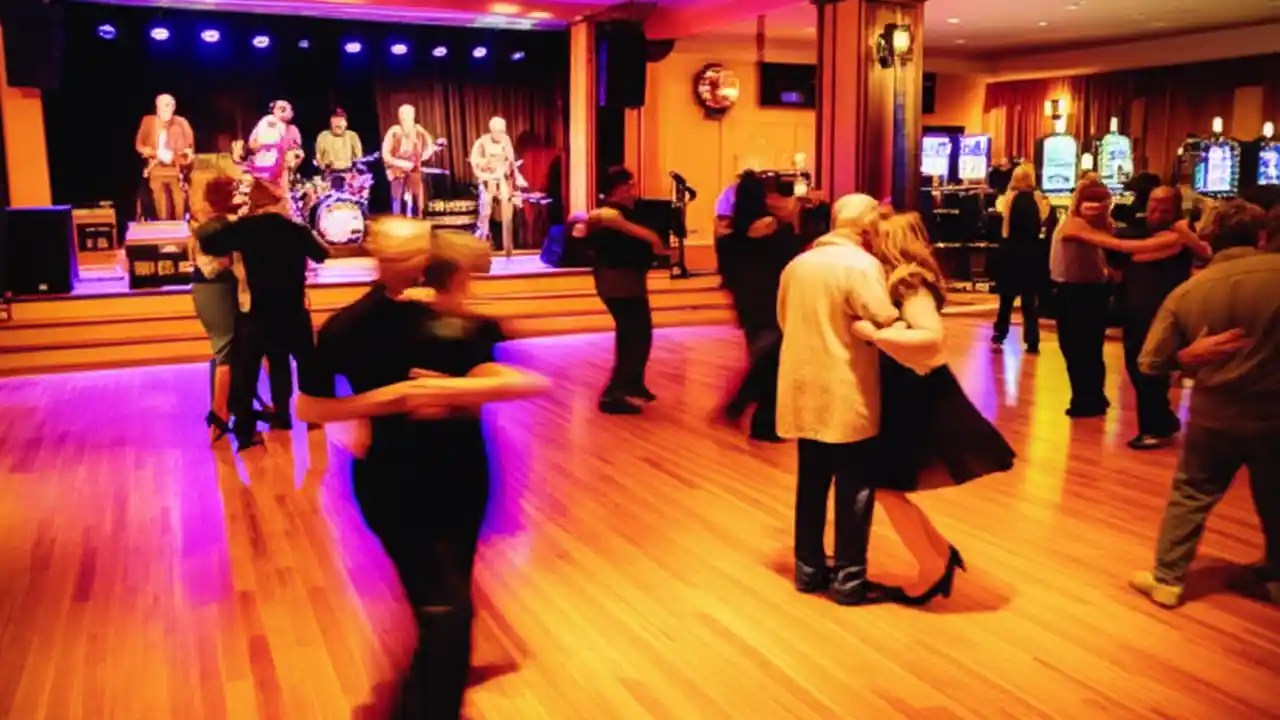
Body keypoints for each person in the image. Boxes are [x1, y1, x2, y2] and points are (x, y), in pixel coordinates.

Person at [296, 217, 548, 718]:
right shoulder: (350, 326)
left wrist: (453, 389)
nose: (412, 264)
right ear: (377, 256)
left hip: (462, 473)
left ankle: (436, 686)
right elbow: (310, 408)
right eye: (399, 254)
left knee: (450, 607)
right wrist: (390, 400)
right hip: (394, 482)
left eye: (418, 253)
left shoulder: (455, 322)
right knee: (447, 611)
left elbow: (516, 380)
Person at [852, 212, 1015, 604]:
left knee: (887, 487)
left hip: (917, 393)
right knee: (887, 486)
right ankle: (938, 556)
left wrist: (873, 333)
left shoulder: (908, 281)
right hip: (914, 389)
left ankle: (932, 564)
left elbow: (930, 336)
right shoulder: (909, 278)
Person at [1130, 199, 1280, 608]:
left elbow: (1149, 362)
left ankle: (1167, 578)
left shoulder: (1188, 291)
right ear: (1261, 236)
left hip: (1214, 415)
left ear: (1209, 238)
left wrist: (1185, 360)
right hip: (1275, 418)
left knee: (1192, 492)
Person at [776, 193, 902, 605]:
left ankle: (808, 569)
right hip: (846, 387)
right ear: (867, 228)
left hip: (801, 386)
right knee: (855, 486)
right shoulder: (861, 265)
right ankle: (849, 580)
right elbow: (884, 318)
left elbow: (782, 318)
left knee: (811, 483)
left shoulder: (798, 264)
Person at [199, 179, 332, 451]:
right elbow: (321, 254)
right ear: (277, 202)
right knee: (301, 362)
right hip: (293, 309)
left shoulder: (245, 229)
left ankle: (246, 432)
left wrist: (228, 220)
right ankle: (302, 417)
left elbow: (209, 243)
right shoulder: (294, 230)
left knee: (246, 371)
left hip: (258, 311)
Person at [715, 172, 805, 441]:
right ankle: (750, 414)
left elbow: (727, 271)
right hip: (773, 304)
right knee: (771, 361)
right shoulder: (778, 233)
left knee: (766, 359)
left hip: (748, 305)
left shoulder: (729, 235)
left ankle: (753, 417)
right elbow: (795, 261)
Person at [577, 166, 666, 415]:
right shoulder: (608, 215)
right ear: (619, 189)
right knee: (636, 335)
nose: (634, 191)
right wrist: (651, 240)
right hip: (619, 281)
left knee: (634, 334)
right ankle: (616, 393)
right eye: (630, 186)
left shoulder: (617, 214)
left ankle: (632, 386)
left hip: (625, 280)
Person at [189, 175, 241, 443]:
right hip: (214, 290)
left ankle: (224, 410)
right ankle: (218, 415)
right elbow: (211, 268)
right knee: (225, 353)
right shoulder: (216, 229)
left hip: (210, 290)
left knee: (224, 351)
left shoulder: (215, 227)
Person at [991, 162, 1051, 354]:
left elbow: (1001, 225)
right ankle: (1032, 341)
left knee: (1006, 300)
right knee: (1029, 302)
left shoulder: (1007, 199)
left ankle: (999, 335)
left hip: (1011, 253)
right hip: (1033, 254)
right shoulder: (1040, 199)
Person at [470, 116, 527, 258]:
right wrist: (486, 166)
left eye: (502, 130)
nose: (501, 134)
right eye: (498, 131)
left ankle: (508, 248)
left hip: (503, 179)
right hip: (488, 180)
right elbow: (475, 162)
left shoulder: (506, 140)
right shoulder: (482, 142)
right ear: (492, 130)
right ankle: (480, 248)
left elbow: (511, 161)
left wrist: (518, 177)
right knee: (485, 213)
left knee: (508, 213)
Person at [135, 93, 194, 221]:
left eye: (170, 106)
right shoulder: (149, 122)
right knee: (162, 209)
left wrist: (180, 157)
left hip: (176, 170)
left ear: (174, 107)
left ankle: (180, 236)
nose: (167, 109)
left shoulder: (181, 123)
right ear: (157, 107)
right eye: (163, 106)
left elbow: (189, 147)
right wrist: (155, 153)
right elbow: (139, 145)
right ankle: (165, 236)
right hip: (156, 170)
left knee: (180, 207)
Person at [383, 104, 437, 217]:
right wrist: (399, 163)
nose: (404, 118)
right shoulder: (394, 131)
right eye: (402, 115)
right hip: (397, 171)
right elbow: (385, 154)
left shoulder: (418, 131)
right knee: (397, 200)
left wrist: (420, 158)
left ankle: (418, 221)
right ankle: (399, 225)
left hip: (414, 170)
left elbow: (430, 146)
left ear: (413, 116)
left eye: (407, 116)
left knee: (417, 200)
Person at [315, 108, 364, 174]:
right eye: (335, 124)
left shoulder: (352, 136)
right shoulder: (323, 136)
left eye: (340, 123)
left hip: (349, 173)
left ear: (346, 123)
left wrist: (355, 172)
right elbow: (318, 157)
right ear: (330, 124)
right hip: (330, 173)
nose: (337, 125)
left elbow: (359, 157)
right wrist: (324, 168)